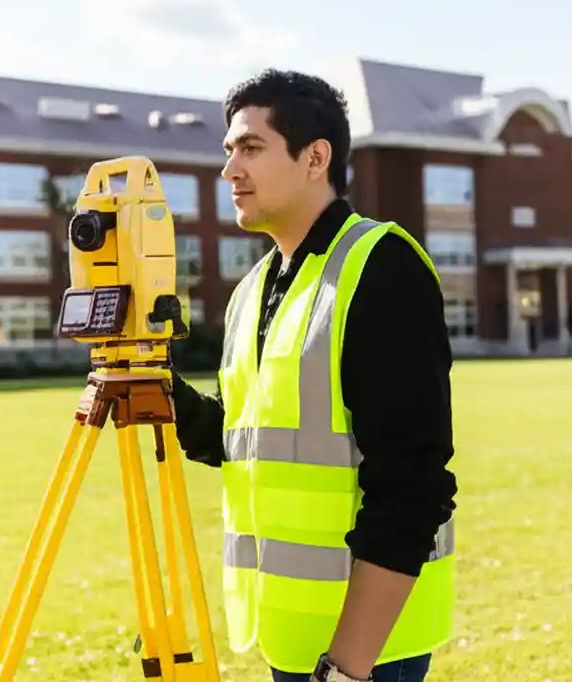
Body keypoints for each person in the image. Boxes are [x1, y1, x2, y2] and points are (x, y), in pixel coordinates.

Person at [169, 69, 458, 682]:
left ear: (315, 158)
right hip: (292, 636)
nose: (230, 171)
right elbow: (244, 439)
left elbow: (413, 484)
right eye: (229, 151)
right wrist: (159, 392)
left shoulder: (380, 266)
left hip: (369, 649)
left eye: (250, 147)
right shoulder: (251, 290)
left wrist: (348, 666)